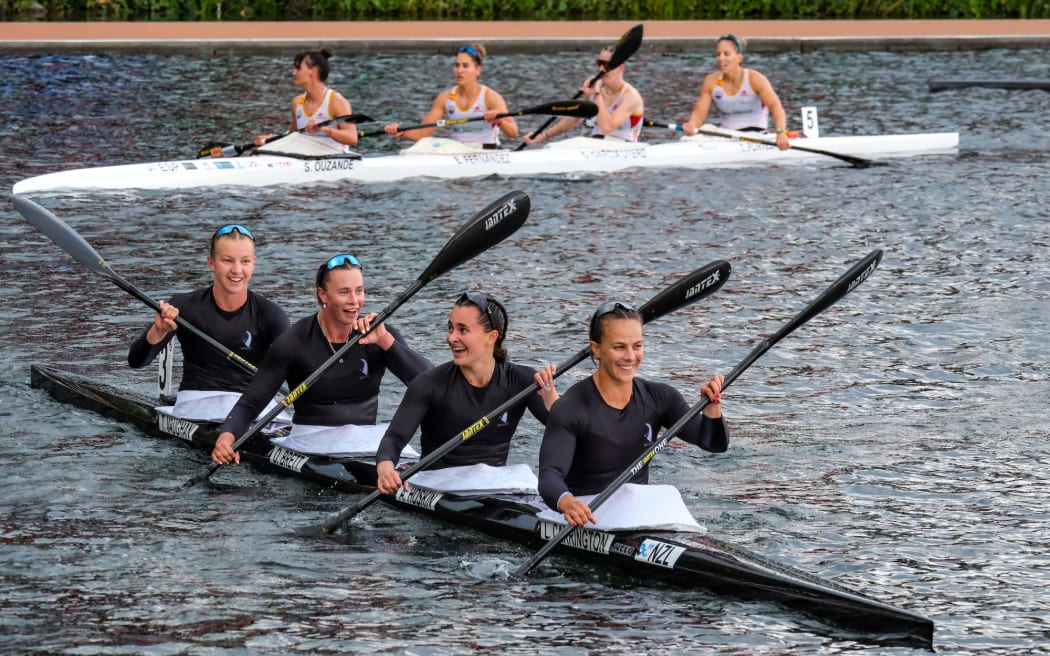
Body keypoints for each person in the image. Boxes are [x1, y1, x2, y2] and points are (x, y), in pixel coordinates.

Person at [211, 254, 432, 465]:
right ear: (323, 294)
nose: (354, 301)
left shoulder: (380, 333)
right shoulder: (294, 342)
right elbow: (252, 403)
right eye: (344, 292)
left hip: (368, 441)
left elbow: (434, 388)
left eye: (359, 291)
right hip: (311, 441)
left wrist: (386, 342)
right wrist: (227, 438)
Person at [537, 301, 728, 527]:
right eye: (619, 347)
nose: (630, 356)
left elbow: (713, 444)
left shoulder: (661, 397)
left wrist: (712, 408)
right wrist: (566, 502)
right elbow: (550, 476)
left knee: (667, 493)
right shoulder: (571, 407)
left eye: (637, 346)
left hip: (635, 511)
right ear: (596, 349)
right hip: (586, 511)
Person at [375, 291, 558, 493]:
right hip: (439, 483)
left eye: (463, 330)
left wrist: (553, 403)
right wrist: (385, 468)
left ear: (492, 337)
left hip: (497, 487)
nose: (452, 338)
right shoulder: (429, 384)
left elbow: (570, 432)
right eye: (450, 328)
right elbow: (395, 438)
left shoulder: (521, 381)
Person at [127, 223, 289, 393]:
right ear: (211, 263)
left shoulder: (271, 315)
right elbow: (136, 362)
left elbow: (296, 369)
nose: (237, 270)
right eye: (227, 260)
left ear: (253, 263)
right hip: (197, 401)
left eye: (245, 261)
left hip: (253, 405)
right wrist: (157, 332)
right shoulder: (184, 307)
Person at [383, 44, 519, 148]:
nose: (459, 71)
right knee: (423, 146)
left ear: (478, 70)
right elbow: (421, 134)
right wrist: (401, 130)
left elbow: (513, 133)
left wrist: (499, 121)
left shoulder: (490, 97)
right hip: (457, 150)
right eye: (456, 65)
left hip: (487, 150)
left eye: (465, 66)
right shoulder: (445, 98)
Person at [681, 34, 790, 150]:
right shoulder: (711, 81)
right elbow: (699, 113)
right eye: (718, 54)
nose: (721, 58)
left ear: (739, 58)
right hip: (725, 136)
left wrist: (780, 132)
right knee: (704, 129)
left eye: (726, 54)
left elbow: (776, 107)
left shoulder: (755, 79)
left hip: (755, 136)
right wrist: (692, 124)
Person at [523, 46, 644, 145]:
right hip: (597, 144)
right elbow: (574, 119)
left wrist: (597, 95)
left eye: (607, 64)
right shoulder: (595, 87)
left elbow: (607, 128)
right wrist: (544, 136)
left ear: (620, 67)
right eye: (599, 63)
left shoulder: (631, 96)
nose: (601, 68)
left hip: (623, 147)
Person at [254, 48, 358, 150]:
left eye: (298, 68)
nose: (294, 73)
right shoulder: (297, 102)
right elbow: (293, 137)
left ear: (313, 71)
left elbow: (352, 138)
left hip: (334, 159)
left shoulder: (336, 102)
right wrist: (271, 139)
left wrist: (324, 129)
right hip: (307, 158)